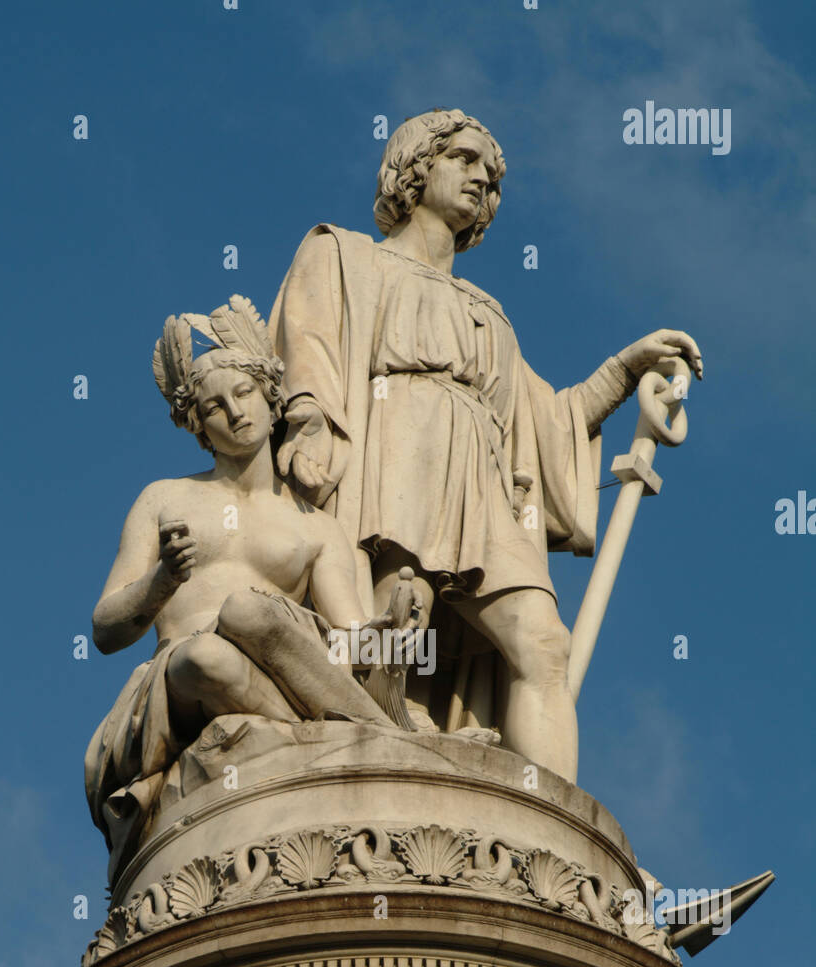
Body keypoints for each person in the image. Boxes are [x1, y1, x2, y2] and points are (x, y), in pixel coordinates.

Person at [268, 108, 703, 780]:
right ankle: (382, 778)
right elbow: (309, 351)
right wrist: (307, 425)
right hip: (393, 452)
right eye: (464, 160)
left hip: (480, 480)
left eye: (490, 174)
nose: (482, 180)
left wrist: (622, 371)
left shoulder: (487, 312)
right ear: (417, 165)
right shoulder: (344, 255)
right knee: (393, 633)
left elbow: (543, 423)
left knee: (542, 644)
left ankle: (552, 827)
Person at [85, 295, 407, 876]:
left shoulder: (318, 528)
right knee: (206, 653)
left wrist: (392, 632)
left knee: (244, 616)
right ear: (198, 427)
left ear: (269, 394)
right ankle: (368, 742)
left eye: (243, 393)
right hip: (175, 683)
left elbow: (349, 640)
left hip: (276, 671)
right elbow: (105, 628)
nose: (234, 412)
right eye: (213, 407)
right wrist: (161, 583)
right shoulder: (165, 498)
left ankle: (371, 739)